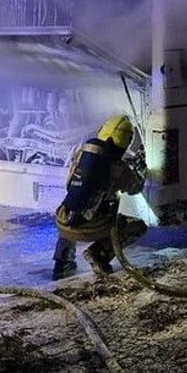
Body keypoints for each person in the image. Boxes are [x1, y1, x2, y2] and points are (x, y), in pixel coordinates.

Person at [53, 115, 148, 279]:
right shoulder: (120, 168)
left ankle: (62, 263)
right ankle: (99, 254)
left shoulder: (81, 154)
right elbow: (134, 189)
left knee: (73, 205)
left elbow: (71, 185)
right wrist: (139, 170)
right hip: (92, 227)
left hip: (63, 222)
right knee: (138, 226)